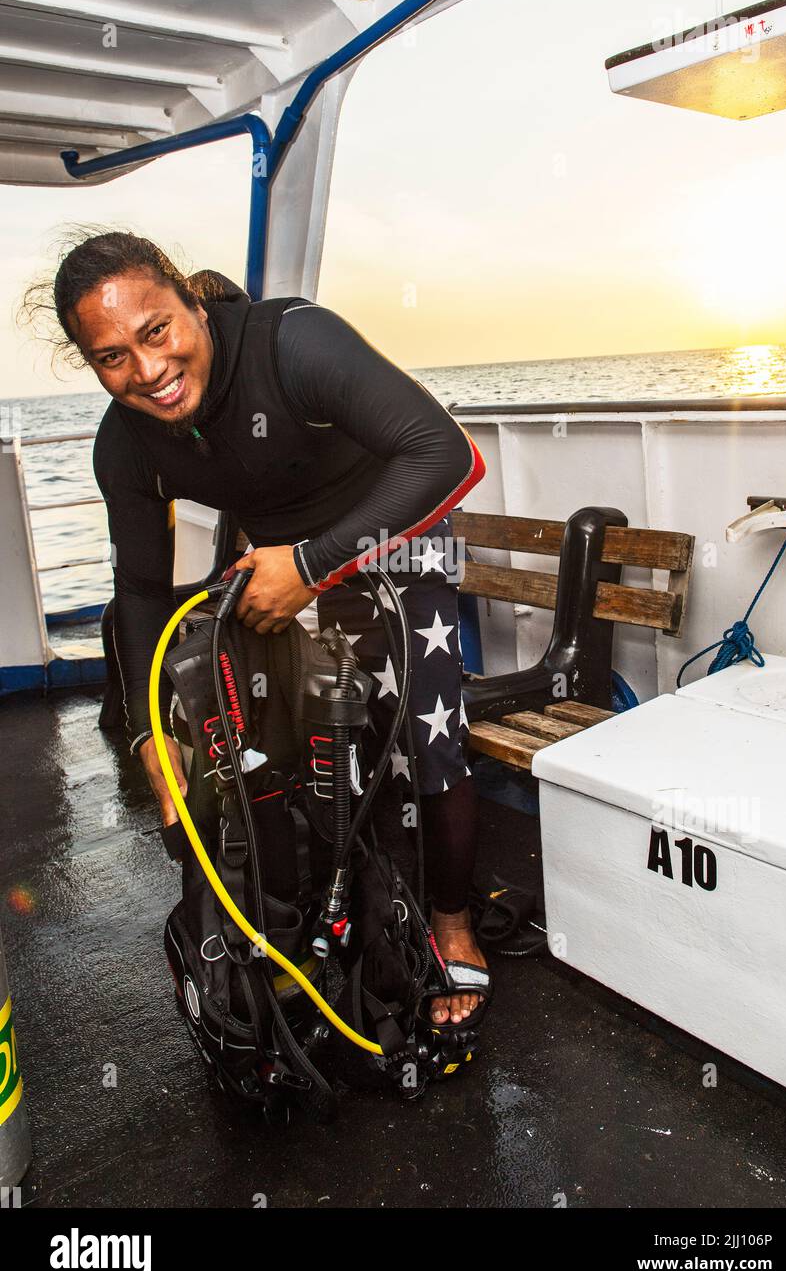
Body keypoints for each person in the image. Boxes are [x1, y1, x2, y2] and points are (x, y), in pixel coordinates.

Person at [32, 232, 489, 1027]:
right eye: (111, 358)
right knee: (274, 750)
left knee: (422, 742)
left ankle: (453, 926)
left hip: (395, 533)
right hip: (282, 565)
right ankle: (327, 914)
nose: (146, 373)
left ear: (190, 302)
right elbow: (140, 591)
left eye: (156, 332)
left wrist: (312, 562)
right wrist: (148, 735)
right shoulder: (126, 439)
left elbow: (446, 455)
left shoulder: (295, 342)